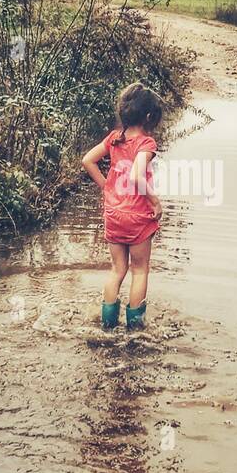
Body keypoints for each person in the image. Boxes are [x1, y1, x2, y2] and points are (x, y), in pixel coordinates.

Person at [81, 82, 164, 329]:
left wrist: (108, 186)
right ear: (149, 116)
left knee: (117, 269)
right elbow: (137, 177)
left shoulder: (114, 139)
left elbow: (87, 161)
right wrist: (155, 200)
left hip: (114, 214)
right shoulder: (146, 143)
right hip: (137, 216)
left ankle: (107, 326)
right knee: (139, 271)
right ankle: (136, 330)